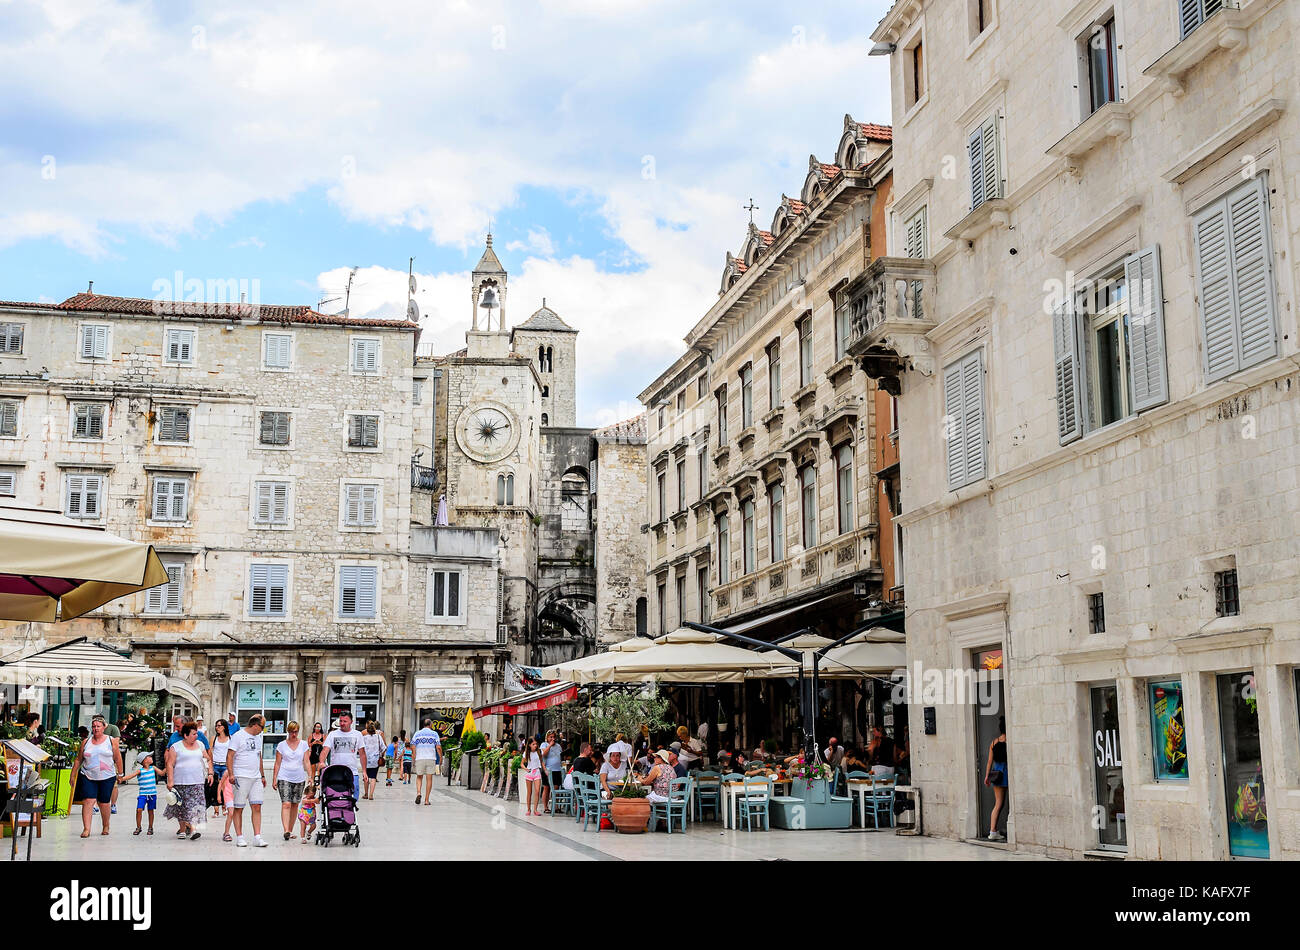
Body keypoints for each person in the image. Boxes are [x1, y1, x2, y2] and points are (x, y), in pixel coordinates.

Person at [76, 717, 124, 838]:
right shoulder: (86, 742)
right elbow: (79, 759)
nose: (96, 729)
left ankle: (106, 825)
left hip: (107, 776)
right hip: (88, 774)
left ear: (104, 728)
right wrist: (73, 775)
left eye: (98, 726)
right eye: (94, 726)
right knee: (88, 800)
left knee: (104, 802)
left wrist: (121, 774)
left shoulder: (111, 740)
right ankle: (86, 828)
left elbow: (118, 758)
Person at [226, 713, 268, 847]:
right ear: (255, 725)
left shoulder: (259, 737)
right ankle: (240, 837)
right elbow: (230, 756)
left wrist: (262, 775)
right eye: (262, 727)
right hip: (241, 776)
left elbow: (259, 757)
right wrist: (231, 774)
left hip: (255, 777)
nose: (263, 730)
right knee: (239, 807)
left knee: (257, 806)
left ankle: (257, 836)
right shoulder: (238, 736)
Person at [163, 721, 209, 841]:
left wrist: (210, 773)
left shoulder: (200, 745)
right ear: (186, 735)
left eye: (196, 733)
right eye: (193, 734)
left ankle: (193, 830)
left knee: (194, 806)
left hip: (197, 781)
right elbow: (170, 764)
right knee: (181, 806)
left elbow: (207, 758)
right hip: (181, 781)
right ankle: (182, 830)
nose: (196, 736)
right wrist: (170, 781)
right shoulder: (176, 747)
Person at [272, 721, 311, 840]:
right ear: (288, 731)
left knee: (295, 804)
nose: (294, 734)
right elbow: (277, 763)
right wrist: (274, 778)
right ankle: (285, 830)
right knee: (286, 803)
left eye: (296, 732)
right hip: (284, 776)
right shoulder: (281, 745)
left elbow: (306, 761)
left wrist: (310, 776)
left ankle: (290, 829)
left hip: (299, 777)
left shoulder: (303, 744)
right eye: (291, 732)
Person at [320, 712, 367, 801]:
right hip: (336, 773)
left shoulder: (357, 734)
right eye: (341, 721)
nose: (342, 723)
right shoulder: (333, 734)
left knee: (353, 799)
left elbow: (362, 754)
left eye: (345, 721)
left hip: (352, 772)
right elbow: (325, 750)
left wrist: (364, 771)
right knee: (336, 798)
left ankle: (349, 814)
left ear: (351, 722)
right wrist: (322, 762)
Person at [122, 753, 163, 836]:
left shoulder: (153, 768)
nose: (151, 758)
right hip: (143, 794)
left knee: (150, 811)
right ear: (144, 760)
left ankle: (150, 827)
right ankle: (138, 827)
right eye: (149, 757)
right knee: (139, 809)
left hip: (152, 794)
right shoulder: (140, 771)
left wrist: (169, 765)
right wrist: (120, 779)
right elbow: (130, 776)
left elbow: (162, 773)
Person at [983, 717, 1008, 842]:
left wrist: (987, 776)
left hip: (997, 774)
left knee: (998, 803)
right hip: (1007, 772)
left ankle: (993, 831)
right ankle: (994, 831)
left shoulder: (993, 743)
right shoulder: (1009, 741)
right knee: (1003, 803)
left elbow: (989, 762)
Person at [411, 718, 443, 806]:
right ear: (430, 725)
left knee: (419, 777)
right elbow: (438, 747)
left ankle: (418, 793)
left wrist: (414, 757)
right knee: (429, 779)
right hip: (431, 758)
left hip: (420, 758)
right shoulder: (434, 734)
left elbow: (413, 746)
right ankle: (426, 800)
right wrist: (440, 757)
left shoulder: (417, 734)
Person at [209, 718, 232, 817]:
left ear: (224, 727)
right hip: (215, 764)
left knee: (224, 787)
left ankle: (224, 807)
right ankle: (216, 810)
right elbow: (210, 752)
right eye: (216, 726)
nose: (217, 727)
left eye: (219, 726)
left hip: (225, 765)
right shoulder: (214, 738)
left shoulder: (230, 738)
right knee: (214, 787)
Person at [360, 721, 386, 801]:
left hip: (366, 760)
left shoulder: (364, 738)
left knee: (366, 776)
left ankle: (366, 793)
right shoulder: (378, 737)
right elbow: (384, 748)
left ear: (367, 730)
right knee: (373, 777)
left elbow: (360, 749)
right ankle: (371, 794)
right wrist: (381, 755)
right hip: (375, 759)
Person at [540, 730, 563, 814]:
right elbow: (543, 755)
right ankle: (546, 807)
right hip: (548, 770)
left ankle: (556, 806)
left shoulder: (558, 746)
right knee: (547, 788)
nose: (552, 739)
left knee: (556, 788)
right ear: (547, 737)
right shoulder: (544, 744)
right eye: (551, 737)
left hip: (557, 769)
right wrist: (550, 745)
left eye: (554, 737)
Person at [521, 737, 544, 816]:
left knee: (537, 791)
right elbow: (522, 764)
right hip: (530, 773)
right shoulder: (526, 753)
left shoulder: (539, 752)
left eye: (536, 744)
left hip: (537, 772)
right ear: (530, 745)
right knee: (529, 792)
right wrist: (526, 769)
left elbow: (542, 762)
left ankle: (535, 810)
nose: (535, 746)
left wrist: (545, 770)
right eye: (533, 744)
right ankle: (528, 809)